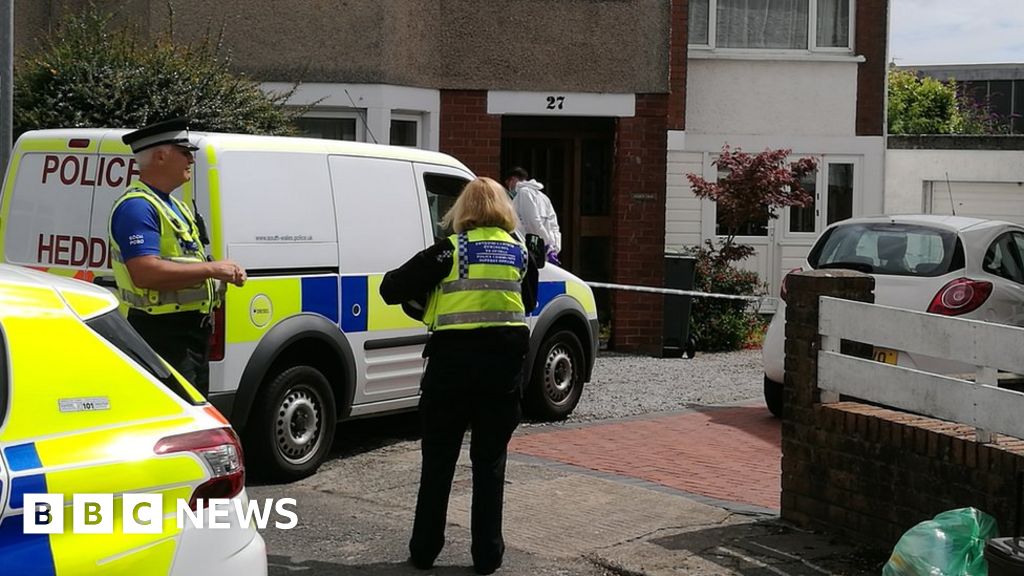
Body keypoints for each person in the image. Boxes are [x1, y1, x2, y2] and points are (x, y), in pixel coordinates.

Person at [380, 177, 540, 575]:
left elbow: (391, 288)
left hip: (451, 370)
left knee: (438, 464)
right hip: (502, 372)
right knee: (489, 464)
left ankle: (425, 551)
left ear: (463, 209)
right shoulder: (521, 254)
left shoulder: (448, 250)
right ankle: (487, 556)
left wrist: (426, 300)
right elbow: (529, 300)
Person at [109, 117, 246, 396]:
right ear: (160, 155)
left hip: (188, 336)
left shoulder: (176, 206)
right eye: (185, 153)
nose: (191, 161)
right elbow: (145, 273)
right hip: (160, 333)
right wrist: (212, 270)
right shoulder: (138, 207)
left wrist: (222, 271)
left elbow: (187, 261)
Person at [505, 167, 562, 265]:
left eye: (508, 183)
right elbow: (554, 226)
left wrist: (546, 245)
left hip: (532, 249)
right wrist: (554, 248)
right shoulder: (543, 197)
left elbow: (532, 222)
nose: (508, 188)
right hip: (545, 251)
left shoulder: (523, 193)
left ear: (513, 179)